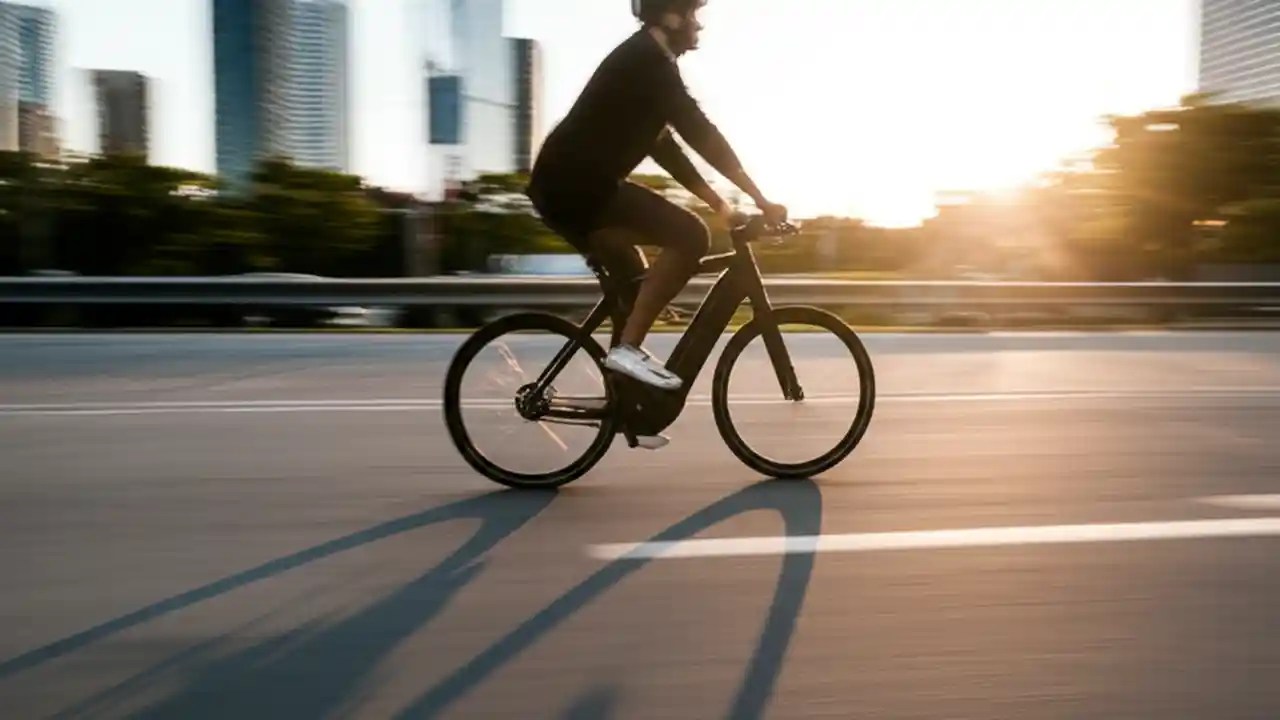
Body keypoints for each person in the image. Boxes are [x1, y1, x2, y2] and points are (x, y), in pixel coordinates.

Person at [526, 0, 787, 396]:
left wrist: (722, 204)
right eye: (693, 16)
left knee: (633, 287)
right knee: (691, 235)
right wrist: (761, 199)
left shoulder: (644, 64)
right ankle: (627, 351)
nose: (698, 26)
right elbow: (702, 135)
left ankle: (625, 405)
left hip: (568, 188)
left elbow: (667, 150)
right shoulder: (649, 65)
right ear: (671, 16)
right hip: (575, 188)